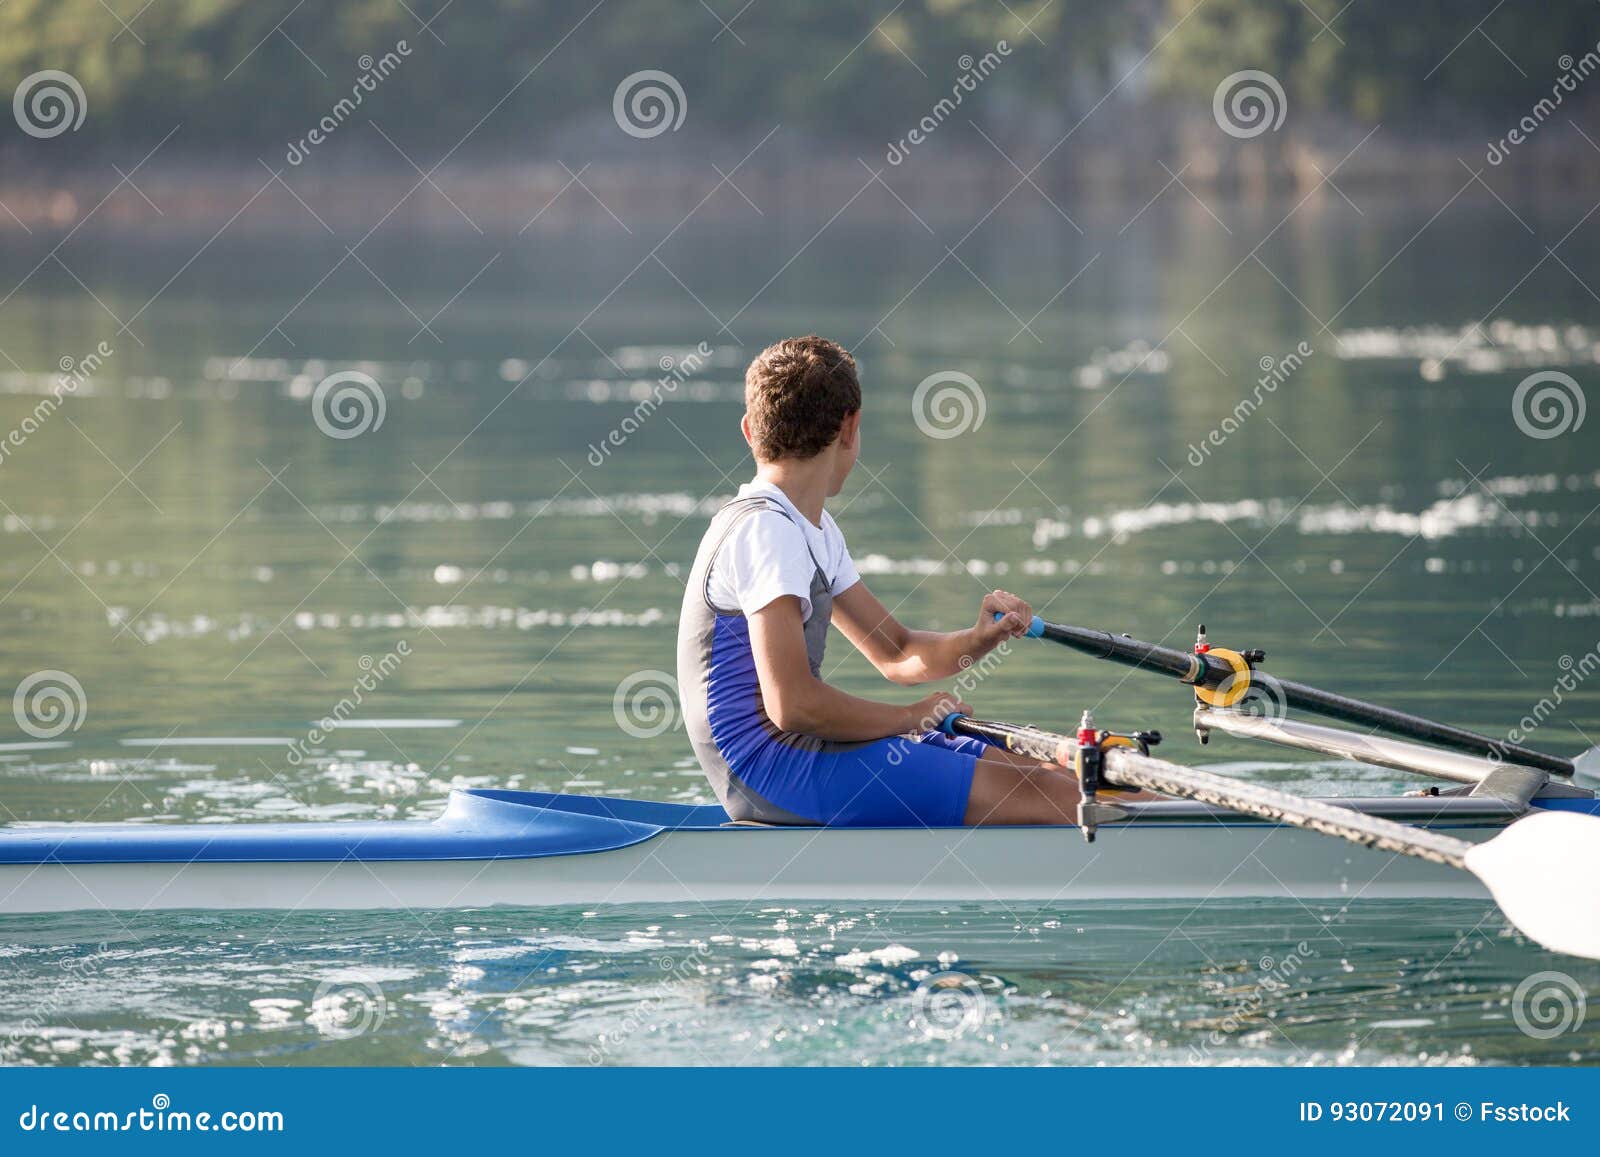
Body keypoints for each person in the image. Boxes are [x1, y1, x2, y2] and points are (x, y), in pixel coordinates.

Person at [677, 335, 1152, 826]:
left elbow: (898, 652)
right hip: (770, 772)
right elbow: (793, 705)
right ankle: (1206, 839)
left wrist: (976, 641)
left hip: (803, 756)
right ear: (850, 428)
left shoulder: (808, 526)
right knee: (1036, 788)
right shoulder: (765, 529)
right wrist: (908, 717)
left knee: (1043, 768)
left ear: (750, 430)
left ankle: (1201, 820)